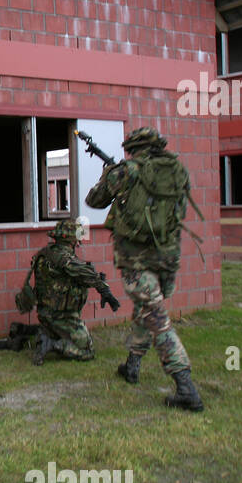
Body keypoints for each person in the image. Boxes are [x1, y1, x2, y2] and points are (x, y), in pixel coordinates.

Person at [85, 127, 203, 411]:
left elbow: (94, 200)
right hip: (168, 258)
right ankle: (132, 366)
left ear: (133, 148)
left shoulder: (125, 171)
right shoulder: (178, 170)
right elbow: (180, 213)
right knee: (146, 310)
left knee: (157, 319)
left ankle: (186, 388)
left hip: (137, 259)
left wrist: (108, 173)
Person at [27, 219, 120, 365]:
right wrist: (105, 291)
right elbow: (84, 273)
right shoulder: (64, 258)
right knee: (87, 351)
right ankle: (51, 345)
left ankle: (45, 335)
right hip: (62, 316)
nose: (78, 243)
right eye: (76, 239)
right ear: (71, 240)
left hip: (45, 313)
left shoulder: (44, 253)